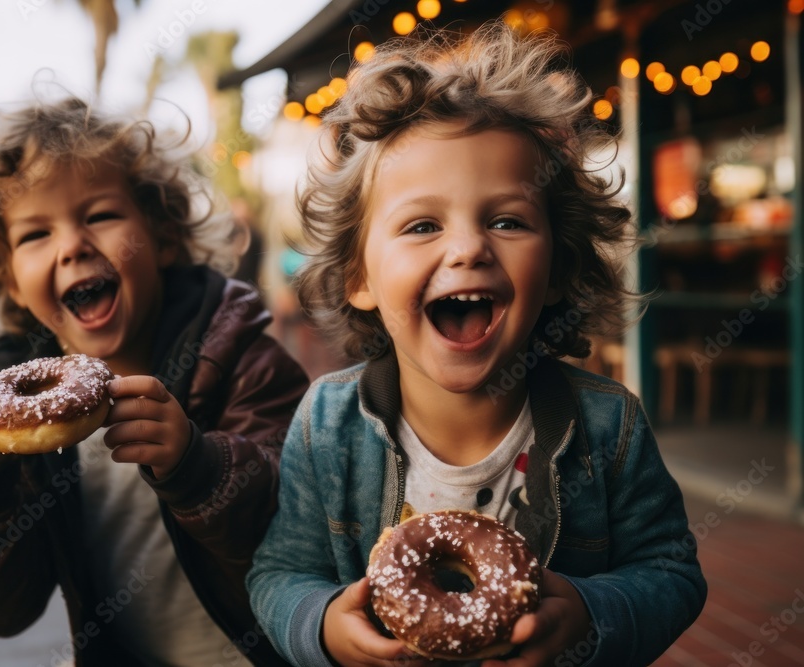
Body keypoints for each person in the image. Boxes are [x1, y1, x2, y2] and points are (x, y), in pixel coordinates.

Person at [247, 23, 706, 667]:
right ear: (360, 277)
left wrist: (588, 613)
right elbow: (278, 573)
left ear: (557, 268)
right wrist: (321, 627)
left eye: (507, 220)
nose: (467, 248)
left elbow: (673, 573)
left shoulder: (608, 426)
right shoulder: (327, 422)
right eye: (423, 224)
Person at [0, 96, 309, 666]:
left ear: (160, 237)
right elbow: (1, 613)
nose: (72, 245)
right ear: (9, 279)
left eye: (100, 216)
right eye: (35, 235)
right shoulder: (17, 429)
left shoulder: (242, 361)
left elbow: (303, 531)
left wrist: (196, 467)